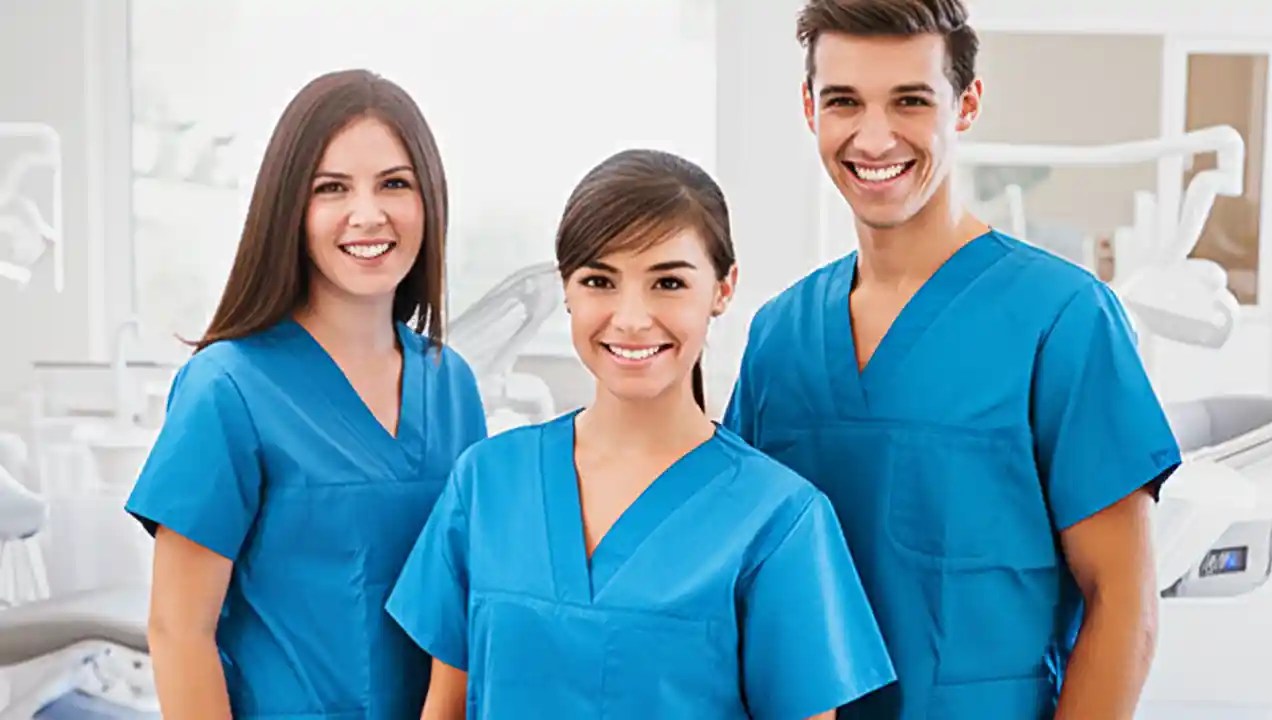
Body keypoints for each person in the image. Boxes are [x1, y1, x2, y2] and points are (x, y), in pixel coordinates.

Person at [723, 1, 1182, 718]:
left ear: (965, 105)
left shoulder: (1062, 319)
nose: (875, 137)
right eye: (844, 101)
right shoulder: (781, 336)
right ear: (810, 109)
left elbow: (1123, 604)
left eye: (910, 101)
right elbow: (740, 576)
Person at [386, 148, 896, 719]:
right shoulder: (487, 482)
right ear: (566, 289)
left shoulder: (780, 520)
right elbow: (445, 707)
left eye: (668, 282)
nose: (630, 318)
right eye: (599, 280)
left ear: (723, 289)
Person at [124, 69, 487, 719]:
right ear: (289, 208)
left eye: (394, 184)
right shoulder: (228, 388)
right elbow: (179, 632)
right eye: (332, 188)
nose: (368, 214)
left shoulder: (451, 384)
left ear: (429, 200)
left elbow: (462, 612)